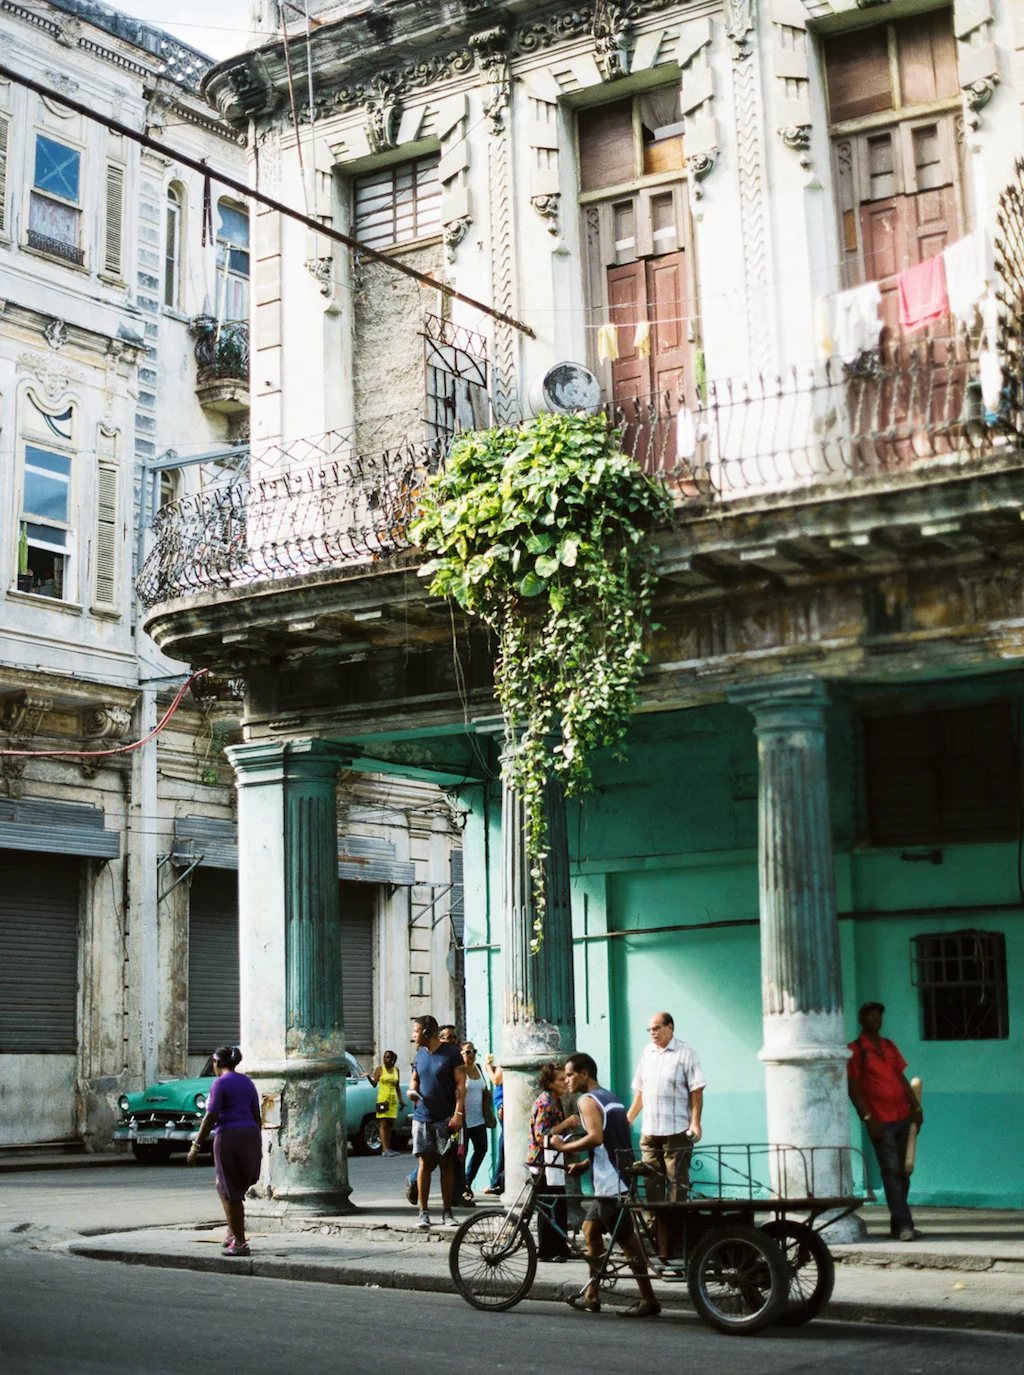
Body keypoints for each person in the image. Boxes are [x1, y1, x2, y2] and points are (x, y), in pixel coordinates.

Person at [552, 1053, 661, 1318]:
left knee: (627, 1242)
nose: (566, 1080)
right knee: (590, 1231)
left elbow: (596, 1137)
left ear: (584, 1074)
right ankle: (592, 1295)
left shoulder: (587, 1100)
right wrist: (585, 1166)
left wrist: (564, 1146)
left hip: (611, 1183)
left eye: (569, 1075)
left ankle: (649, 1299)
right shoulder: (609, 1097)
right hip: (612, 1178)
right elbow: (612, 1141)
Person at [626, 1010, 706, 1258]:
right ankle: (656, 1232)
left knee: (676, 1184)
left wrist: (695, 1123)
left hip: (676, 1130)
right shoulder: (647, 1053)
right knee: (651, 1183)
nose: (652, 1033)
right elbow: (640, 1090)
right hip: (650, 1131)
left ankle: (675, 1235)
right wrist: (630, 1116)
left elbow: (696, 1090)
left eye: (657, 1028)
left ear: (670, 1027)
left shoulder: (685, 1052)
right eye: (649, 1029)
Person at [847, 1002, 924, 1243]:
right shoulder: (856, 1049)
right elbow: (852, 1087)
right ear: (861, 1019)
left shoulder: (889, 1045)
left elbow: (900, 1077)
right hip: (881, 1120)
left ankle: (897, 1224)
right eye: (869, 1015)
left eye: (878, 1015)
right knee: (891, 1171)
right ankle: (904, 1224)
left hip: (902, 1115)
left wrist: (916, 1107)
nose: (874, 1019)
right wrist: (868, 1118)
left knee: (903, 1172)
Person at [186, 1044, 262, 1258]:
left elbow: (210, 1116)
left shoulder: (219, 1084)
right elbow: (256, 1115)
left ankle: (240, 1243)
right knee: (224, 1186)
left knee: (230, 1191)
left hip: (228, 1137)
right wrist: (255, 1140)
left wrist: (195, 1146)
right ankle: (232, 1232)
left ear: (216, 1062)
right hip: (249, 1134)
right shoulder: (247, 1082)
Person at [408, 1014, 467, 1229]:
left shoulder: (451, 1053)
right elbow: (415, 1079)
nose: (413, 1035)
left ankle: (447, 1212)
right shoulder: (420, 1055)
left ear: (426, 1032)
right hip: (422, 1117)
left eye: (416, 1031)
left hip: (446, 1118)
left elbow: (461, 1085)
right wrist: (412, 1091)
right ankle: (423, 1213)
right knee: (424, 1163)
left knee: (446, 1164)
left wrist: (458, 1114)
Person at [529, 1062, 572, 1261]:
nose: (565, 1083)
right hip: (542, 1161)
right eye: (561, 1080)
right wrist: (566, 1124)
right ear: (550, 1083)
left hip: (553, 1160)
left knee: (558, 1203)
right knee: (548, 1206)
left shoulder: (556, 1100)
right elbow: (540, 1135)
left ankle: (560, 1248)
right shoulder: (545, 1103)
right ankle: (547, 1250)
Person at [460, 1041, 491, 1203]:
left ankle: (467, 1181)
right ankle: (460, 1188)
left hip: (479, 1118)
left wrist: (488, 1096)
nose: (471, 1054)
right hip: (464, 1120)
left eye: (473, 1051)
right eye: (467, 1052)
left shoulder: (478, 1068)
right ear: (460, 1054)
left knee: (482, 1149)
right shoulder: (459, 1070)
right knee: (461, 1155)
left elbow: (483, 1089)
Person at [368, 1049, 405, 1156]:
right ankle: (384, 1149)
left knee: (390, 1124)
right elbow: (374, 1083)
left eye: (388, 1057)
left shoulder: (396, 1070)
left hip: (393, 1099)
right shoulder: (380, 1069)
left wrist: (401, 1100)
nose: (386, 1059)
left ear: (393, 1059)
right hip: (383, 1099)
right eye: (385, 1057)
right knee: (383, 1123)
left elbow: (397, 1087)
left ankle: (388, 1147)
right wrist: (367, 1077)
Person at [482, 1053, 504, 1195]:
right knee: (504, 1144)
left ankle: (497, 1182)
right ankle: (498, 1181)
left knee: (504, 1145)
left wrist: (488, 1068)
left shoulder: (507, 1057)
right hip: (502, 1104)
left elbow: (496, 1080)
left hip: (503, 1104)